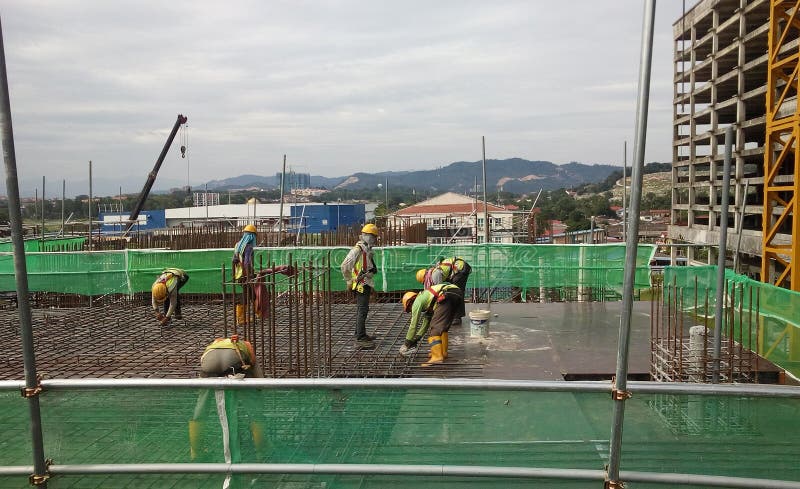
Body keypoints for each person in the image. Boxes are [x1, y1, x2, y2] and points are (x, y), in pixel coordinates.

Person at [399, 282, 463, 366]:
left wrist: (407, 342)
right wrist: (416, 339)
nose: (411, 310)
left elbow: (414, 324)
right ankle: (443, 352)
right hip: (456, 293)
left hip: (446, 294)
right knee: (443, 328)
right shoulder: (429, 300)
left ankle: (437, 357)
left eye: (409, 309)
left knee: (434, 328)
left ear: (410, 303)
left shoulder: (417, 301)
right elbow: (424, 325)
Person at [340, 223, 379, 349]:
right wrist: (349, 281)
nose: (374, 239)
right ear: (366, 236)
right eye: (372, 237)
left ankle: (360, 333)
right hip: (360, 283)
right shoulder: (357, 250)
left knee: (363, 309)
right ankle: (359, 339)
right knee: (362, 310)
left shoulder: (366, 249)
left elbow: (367, 266)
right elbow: (345, 266)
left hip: (365, 282)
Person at [416, 256, 472, 325]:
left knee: (456, 293)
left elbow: (438, 291)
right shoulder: (433, 273)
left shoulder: (435, 275)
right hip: (458, 270)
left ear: (425, 278)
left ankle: (457, 318)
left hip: (460, 269)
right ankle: (454, 315)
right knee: (454, 292)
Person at [199, 334, 264, 378]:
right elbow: (258, 375)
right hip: (231, 362)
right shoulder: (247, 345)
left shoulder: (215, 343)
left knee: (206, 386)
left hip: (209, 359)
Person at [232, 224, 257, 325]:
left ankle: (258, 313)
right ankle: (240, 319)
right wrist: (248, 276)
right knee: (246, 296)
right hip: (245, 275)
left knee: (252, 295)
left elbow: (234, 260)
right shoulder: (249, 247)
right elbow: (246, 263)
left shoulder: (238, 245)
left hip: (239, 274)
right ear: (252, 236)